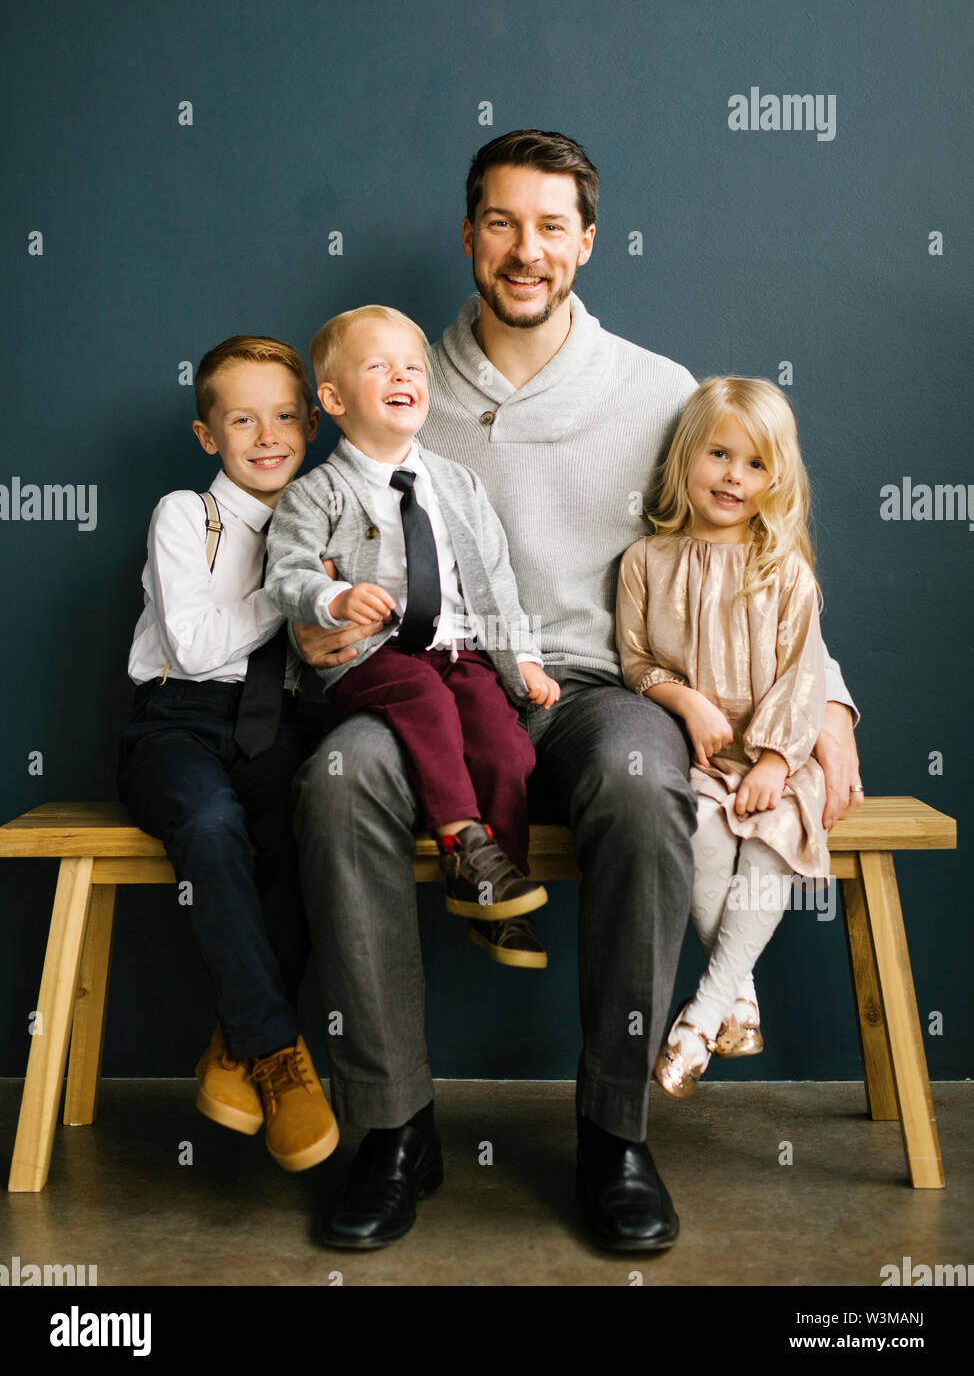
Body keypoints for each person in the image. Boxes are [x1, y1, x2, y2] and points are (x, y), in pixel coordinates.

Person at [289, 131, 864, 1252]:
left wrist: (830, 702)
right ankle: (393, 1128)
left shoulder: (653, 389)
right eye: (500, 222)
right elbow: (306, 534)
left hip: (599, 688)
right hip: (432, 683)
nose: (524, 249)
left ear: (586, 243)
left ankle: (616, 1131)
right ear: (467, 235)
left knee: (646, 776)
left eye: (551, 226)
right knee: (333, 774)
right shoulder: (394, 380)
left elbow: (744, 550)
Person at [264, 304, 559, 973]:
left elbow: (497, 583)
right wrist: (334, 598)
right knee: (423, 697)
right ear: (334, 398)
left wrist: (526, 659)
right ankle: (462, 846)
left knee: (505, 743)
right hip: (375, 655)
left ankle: (500, 891)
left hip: (460, 648)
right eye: (380, 367)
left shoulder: (458, 484)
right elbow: (287, 573)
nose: (405, 376)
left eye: (414, 366)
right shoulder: (316, 496)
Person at [116, 335, 339, 1173]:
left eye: (285, 415)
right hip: (178, 721)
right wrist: (295, 591)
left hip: (279, 724)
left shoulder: (326, 516)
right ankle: (281, 1058)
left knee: (306, 826)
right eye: (242, 420)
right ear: (210, 436)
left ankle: (237, 1042)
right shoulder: (186, 514)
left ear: (313, 422)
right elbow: (202, 645)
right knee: (210, 824)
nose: (268, 434)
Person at [616, 376, 832, 1096]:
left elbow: (805, 675)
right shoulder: (647, 561)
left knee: (769, 834)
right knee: (701, 830)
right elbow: (637, 662)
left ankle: (704, 1013)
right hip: (704, 757)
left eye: (755, 464)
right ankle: (738, 999)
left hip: (783, 756)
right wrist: (685, 703)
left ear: (777, 478)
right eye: (718, 454)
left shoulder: (784, 570)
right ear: (686, 458)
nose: (734, 476)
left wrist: (774, 758)